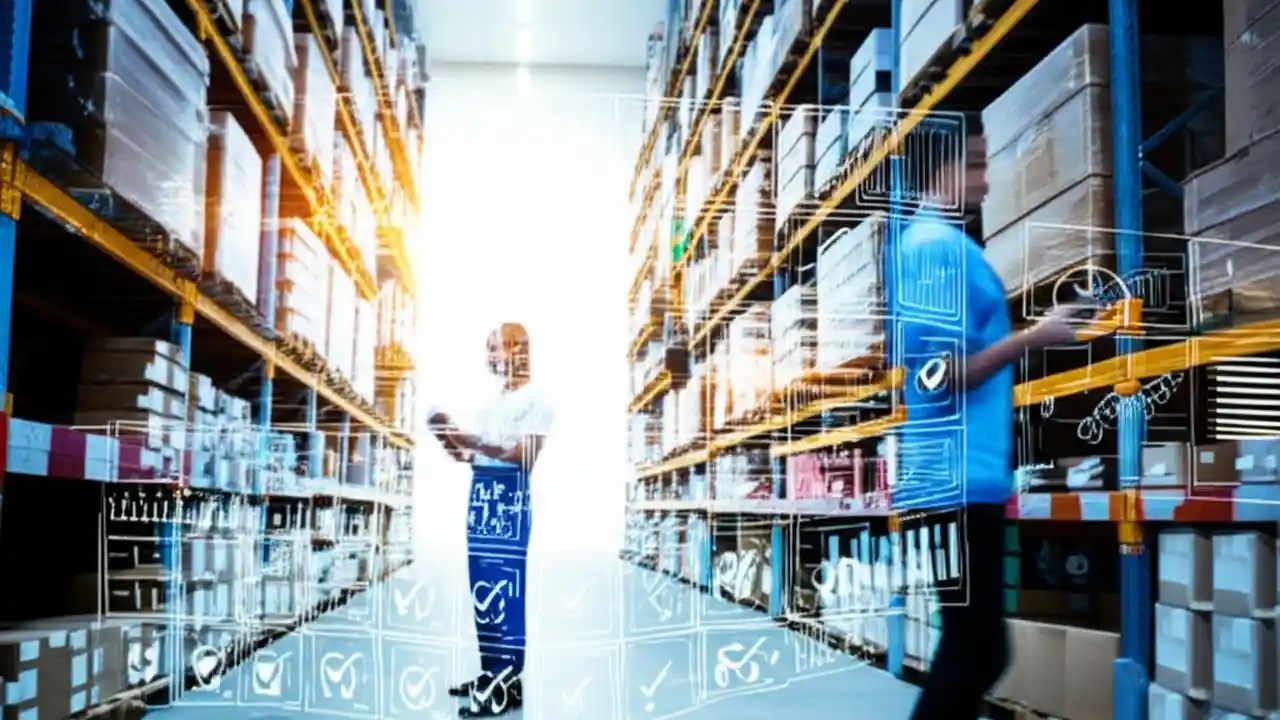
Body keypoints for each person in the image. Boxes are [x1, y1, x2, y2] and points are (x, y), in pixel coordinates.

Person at [888, 140, 1094, 720]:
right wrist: (1036, 337)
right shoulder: (931, 249)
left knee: (975, 649)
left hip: (967, 481)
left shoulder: (949, 247)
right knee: (973, 653)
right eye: (975, 164)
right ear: (940, 169)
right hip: (949, 483)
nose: (986, 179)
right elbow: (934, 376)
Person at [429, 322, 554, 718]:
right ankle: (492, 673)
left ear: (519, 349)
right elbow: (473, 457)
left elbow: (524, 456)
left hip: (509, 496)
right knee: (482, 586)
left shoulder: (539, 399)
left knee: (505, 587)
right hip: (482, 494)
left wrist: (472, 440)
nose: (489, 357)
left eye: (495, 348)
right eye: (488, 350)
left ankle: (506, 671)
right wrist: (450, 440)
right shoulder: (491, 403)